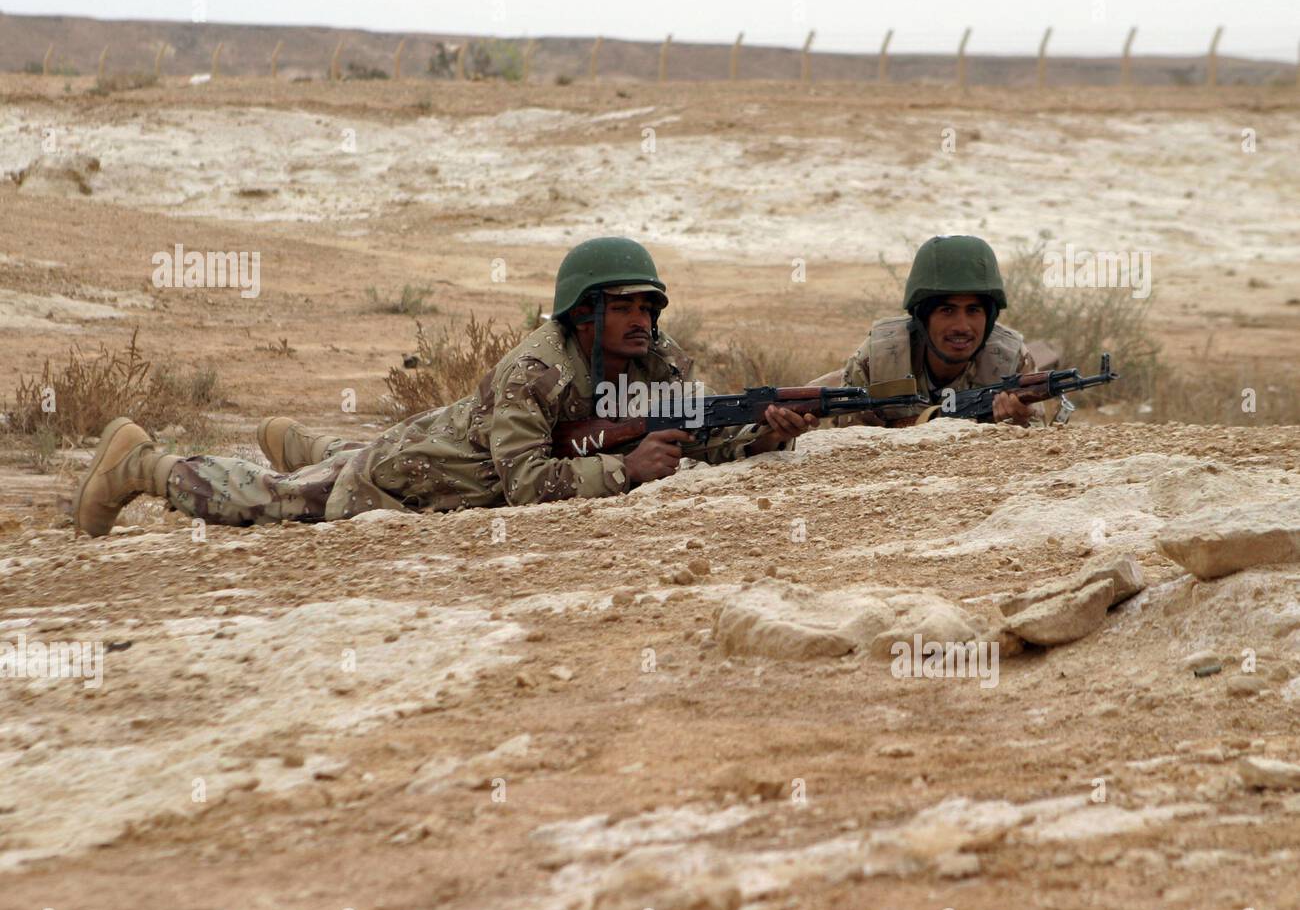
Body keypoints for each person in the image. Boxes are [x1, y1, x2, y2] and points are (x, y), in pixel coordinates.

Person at [73, 237, 816, 536]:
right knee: (274, 502)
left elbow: (699, 434)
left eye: (647, 306)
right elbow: (527, 485)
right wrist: (625, 469)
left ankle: (311, 444)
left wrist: (760, 431)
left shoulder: (661, 362)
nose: (638, 320)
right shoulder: (535, 372)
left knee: (347, 456)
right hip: (411, 477)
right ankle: (143, 463)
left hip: (454, 437)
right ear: (581, 315)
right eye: (620, 306)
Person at [824, 235, 1041, 427]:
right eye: (947, 310)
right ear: (922, 317)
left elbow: (1042, 444)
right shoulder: (877, 361)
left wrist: (1018, 424)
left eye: (973, 310)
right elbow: (849, 445)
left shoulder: (1012, 361)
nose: (962, 327)